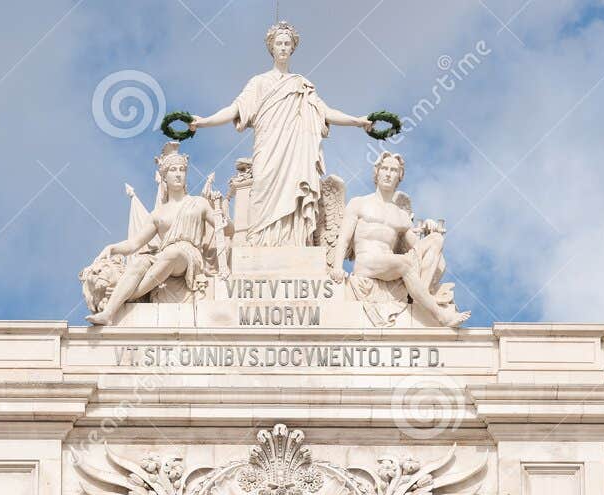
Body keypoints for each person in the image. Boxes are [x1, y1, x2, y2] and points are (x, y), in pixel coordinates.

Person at [189, 21, 373, 247]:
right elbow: (234, 109)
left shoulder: (302, 85)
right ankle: (260, 243)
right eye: (279, 43)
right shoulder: (259, 82)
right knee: (262, 189)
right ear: (271, 47)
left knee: (294, 191)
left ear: (292, 47)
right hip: (267, 147)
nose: (283, 47)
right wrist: (204, 122)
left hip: (295, 150)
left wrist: (357, 121)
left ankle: (293, 243)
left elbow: (325, 112)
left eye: (287, 43)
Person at [331, 152, 467, 326]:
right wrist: (336, 267)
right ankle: (440, 315)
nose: (388, 173)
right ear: (377, 172)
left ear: (399, 176)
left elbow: (419, 251)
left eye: (394, 170)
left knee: (436, 239)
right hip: (366, 262)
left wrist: (429, 230)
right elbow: (343, 238)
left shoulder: (402, 216)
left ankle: (421, 296)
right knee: (404, 263)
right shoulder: (359, 203)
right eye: (384, 169)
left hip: (390, 264)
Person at [85, 148, 218, 325]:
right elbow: (134, 244)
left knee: (173, 254)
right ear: (164, 176)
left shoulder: (199, 203)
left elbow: (227, 229)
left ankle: (126, 296)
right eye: (173, 170)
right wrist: (112, 248)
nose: (178, 174)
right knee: (140, 261)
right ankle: (109, 313)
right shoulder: (158, 214)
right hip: (164, 256)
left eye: (182, 170)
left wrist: (221, 213)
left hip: (188, 256)